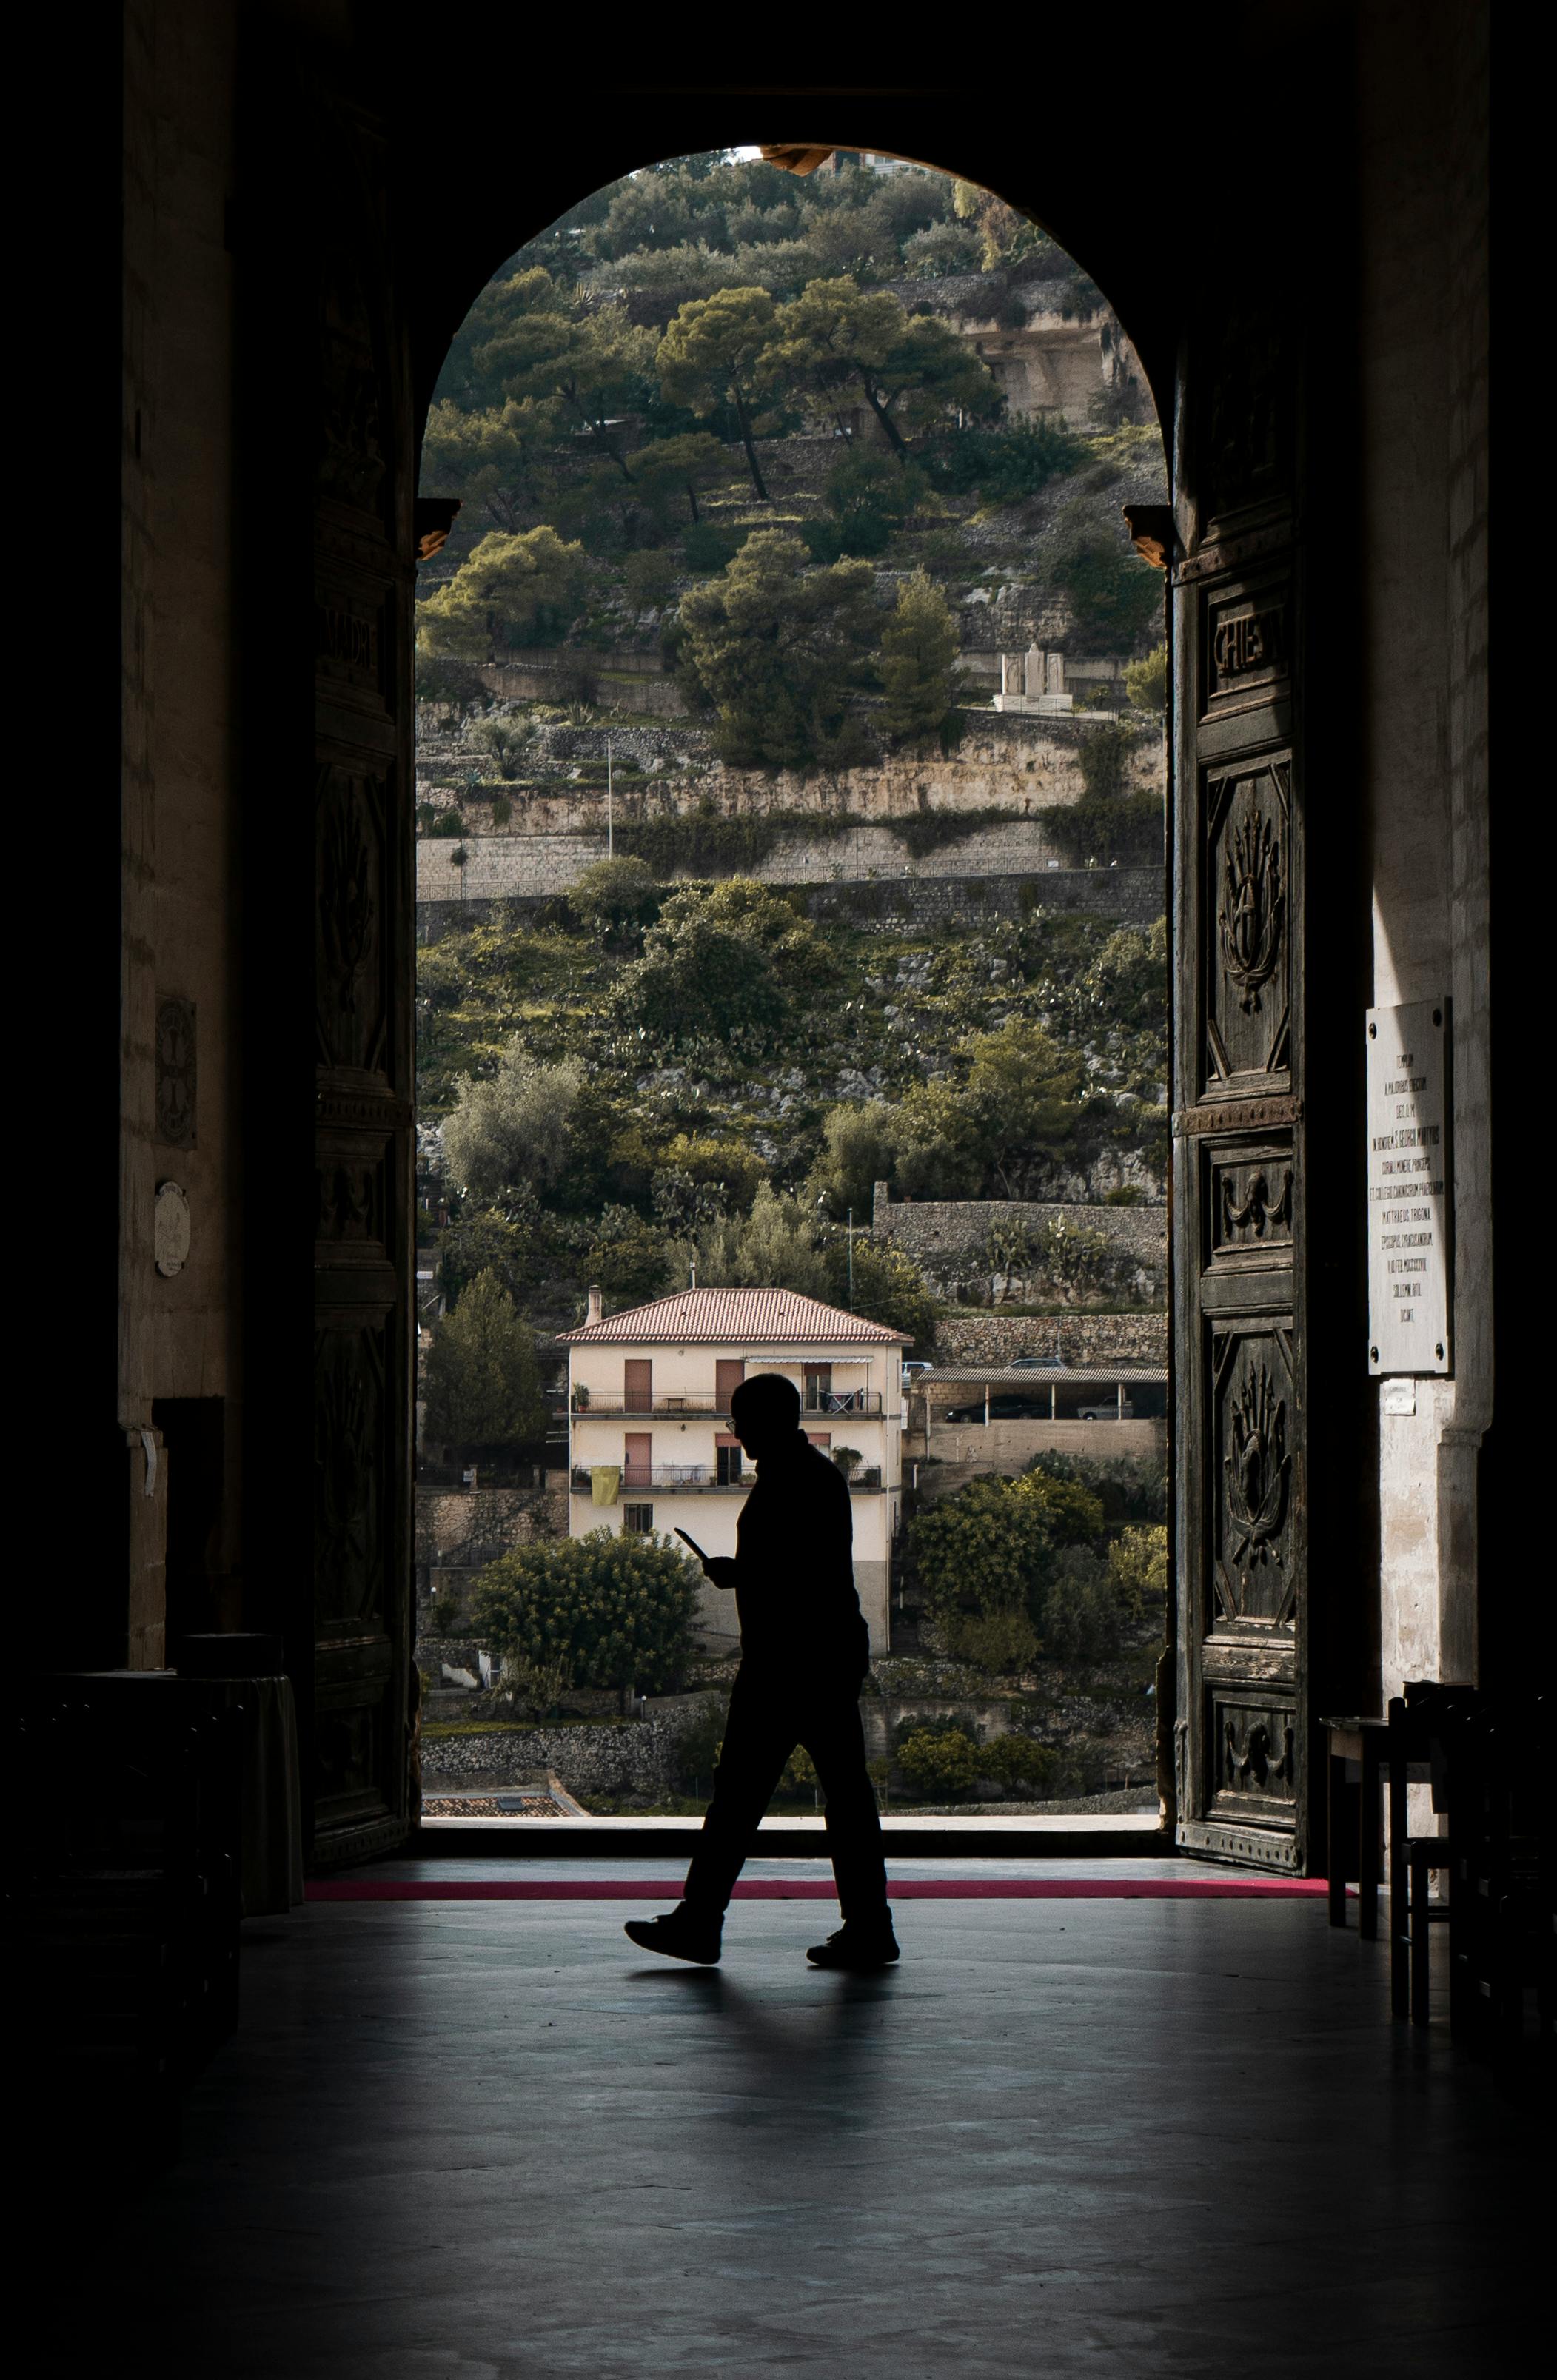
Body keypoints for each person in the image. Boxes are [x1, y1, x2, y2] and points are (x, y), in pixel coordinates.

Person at [624, 1371, 898, 1971]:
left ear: (766, 1421)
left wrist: (738, 1574)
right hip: (817, 1660)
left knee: (740, 1797)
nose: (736, 1433)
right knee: (843, 1797)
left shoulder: (793, 1481)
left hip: (787, 1665)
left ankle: (701, 1921)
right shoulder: (812, 1476)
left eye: (739, 1421)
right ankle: (869, 1925)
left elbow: (800, 1577)